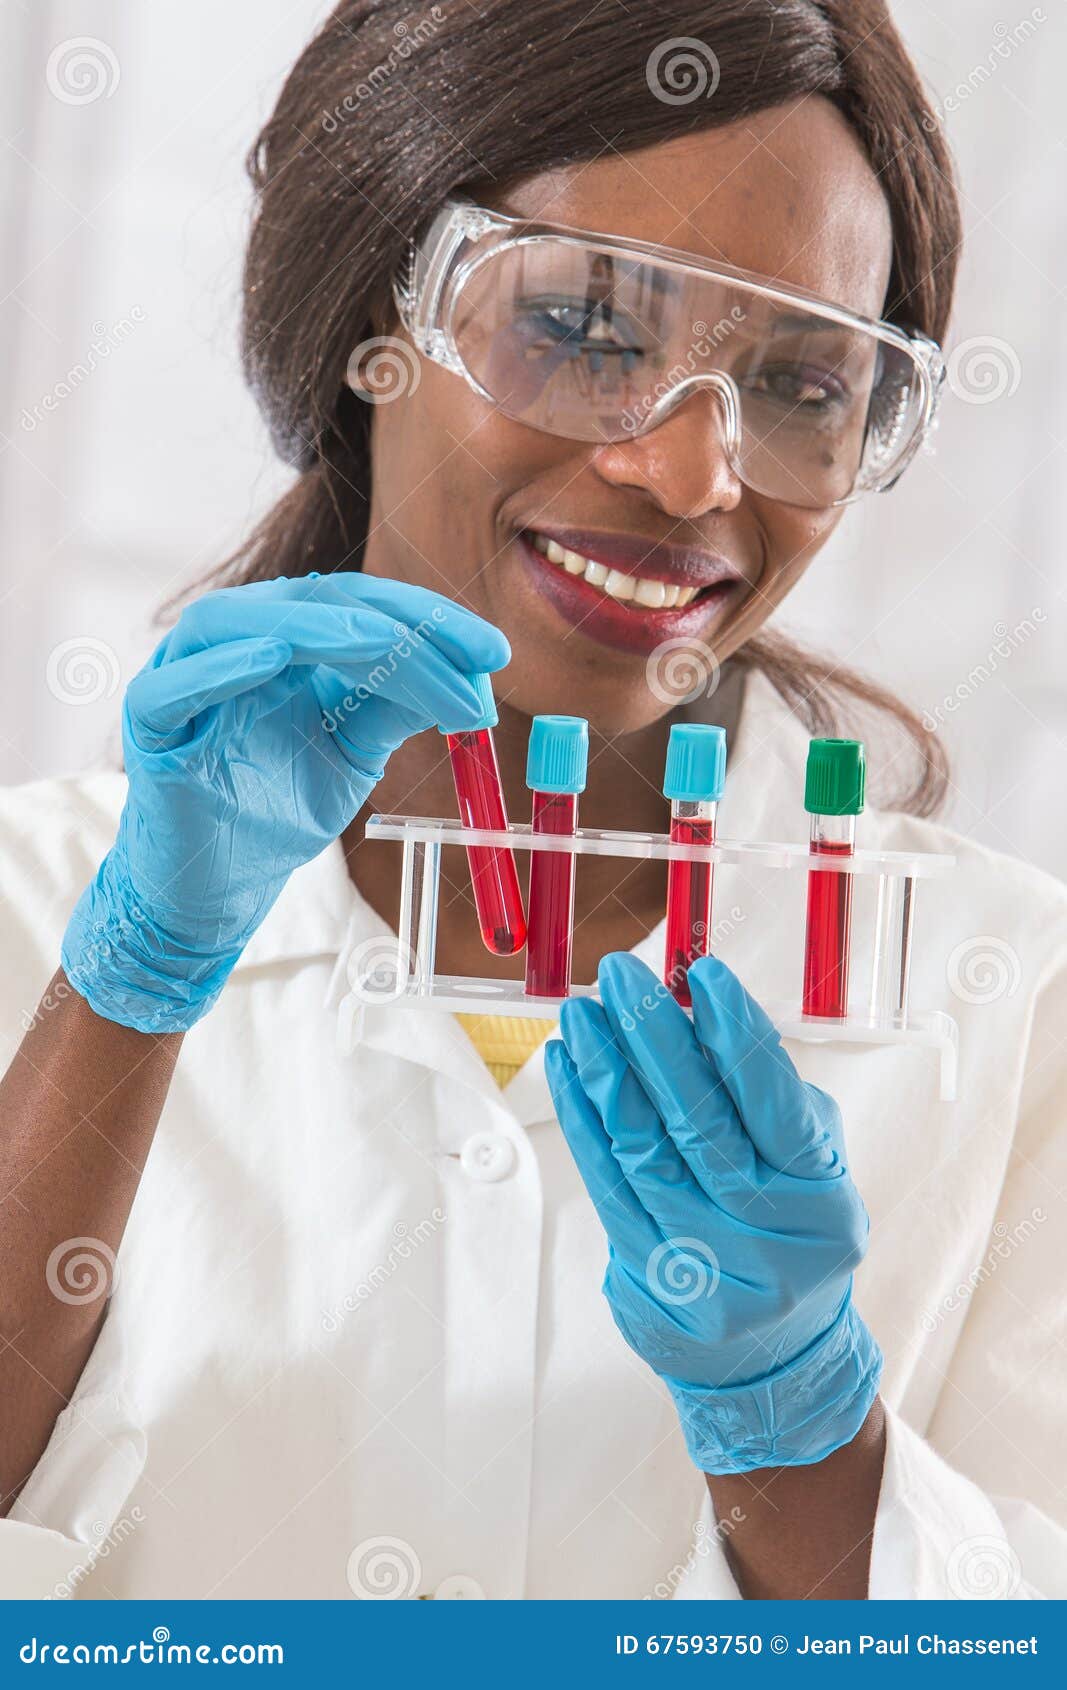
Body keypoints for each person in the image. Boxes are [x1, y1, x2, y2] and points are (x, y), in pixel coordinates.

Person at [1, 0, 1065, 1601]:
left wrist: (801, 1434)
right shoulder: (33, 903)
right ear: (377, 316)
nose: (698, 474)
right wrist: (127, 986)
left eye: (800, 381)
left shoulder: (1012, 989)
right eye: (583, 329)